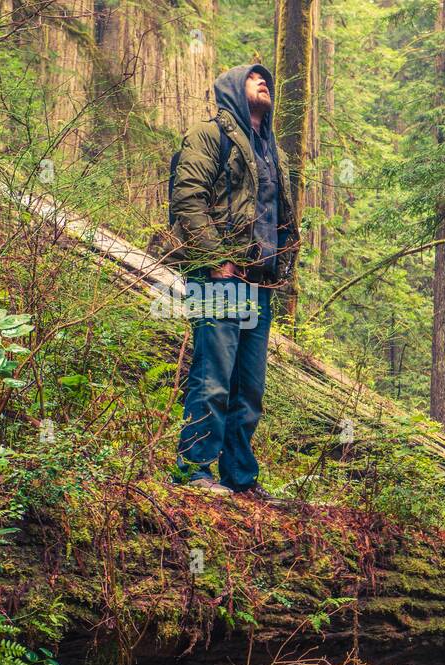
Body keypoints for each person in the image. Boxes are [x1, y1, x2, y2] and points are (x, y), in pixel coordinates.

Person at [170, 64, 298, 498]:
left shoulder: (273, 150)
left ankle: (239, 478)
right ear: (232, 89)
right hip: (218, 277)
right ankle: (193, 471)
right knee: (213, 375)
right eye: (253, 77)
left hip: (258, 283)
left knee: (250, 387)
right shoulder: (209, 134)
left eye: (267, 78)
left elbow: (281, 215)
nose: (263, 80)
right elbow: (189, 199)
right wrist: (215, 259)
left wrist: (282, 266)